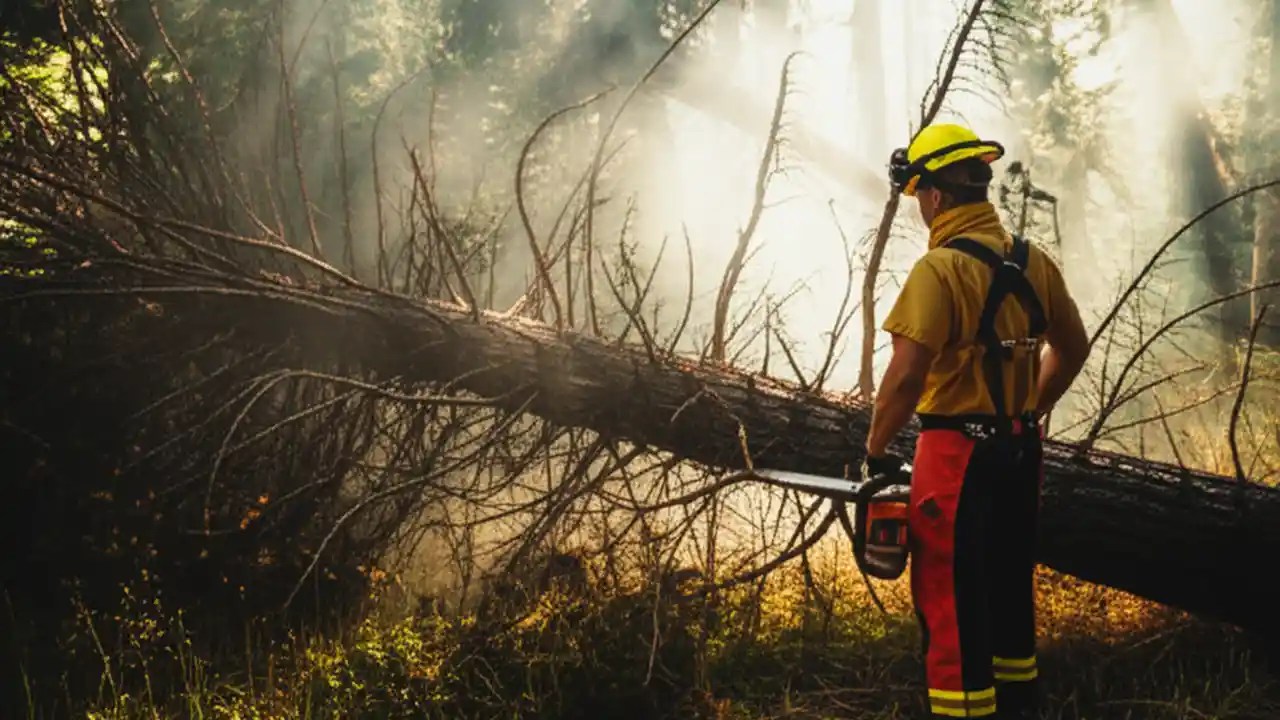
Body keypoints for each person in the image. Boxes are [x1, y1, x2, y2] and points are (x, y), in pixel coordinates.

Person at [862, 123, 1090, 719]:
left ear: (934, 196)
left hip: (955, 459)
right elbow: (1073, 347)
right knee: (1009, 591)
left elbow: (907, 377)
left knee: (950, 604)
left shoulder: (938, 272)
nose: (919, 208)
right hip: (1020, 452)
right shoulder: (1034, 262)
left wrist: (877, 450)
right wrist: (1030, 409)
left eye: (918, 197)